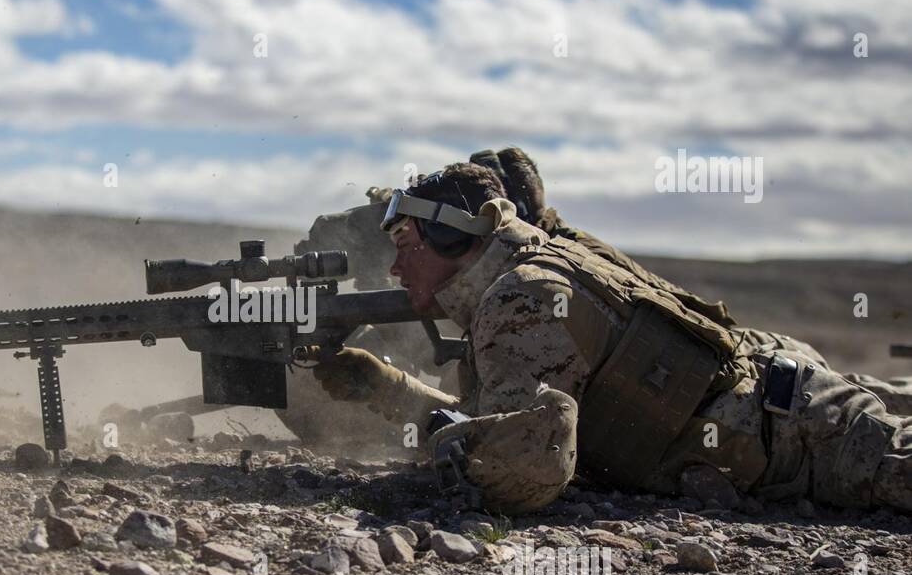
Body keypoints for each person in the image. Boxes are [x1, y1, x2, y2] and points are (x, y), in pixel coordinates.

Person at [314, 162, 912, 515]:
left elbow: (529, 464)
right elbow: (501, 421)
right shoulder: (534, 267)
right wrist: (385, 387)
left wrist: (383, 498)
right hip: (779, 392)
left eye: (406, 247)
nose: (395, 270)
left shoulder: (518, 300)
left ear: (454, 240)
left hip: (803, 436)